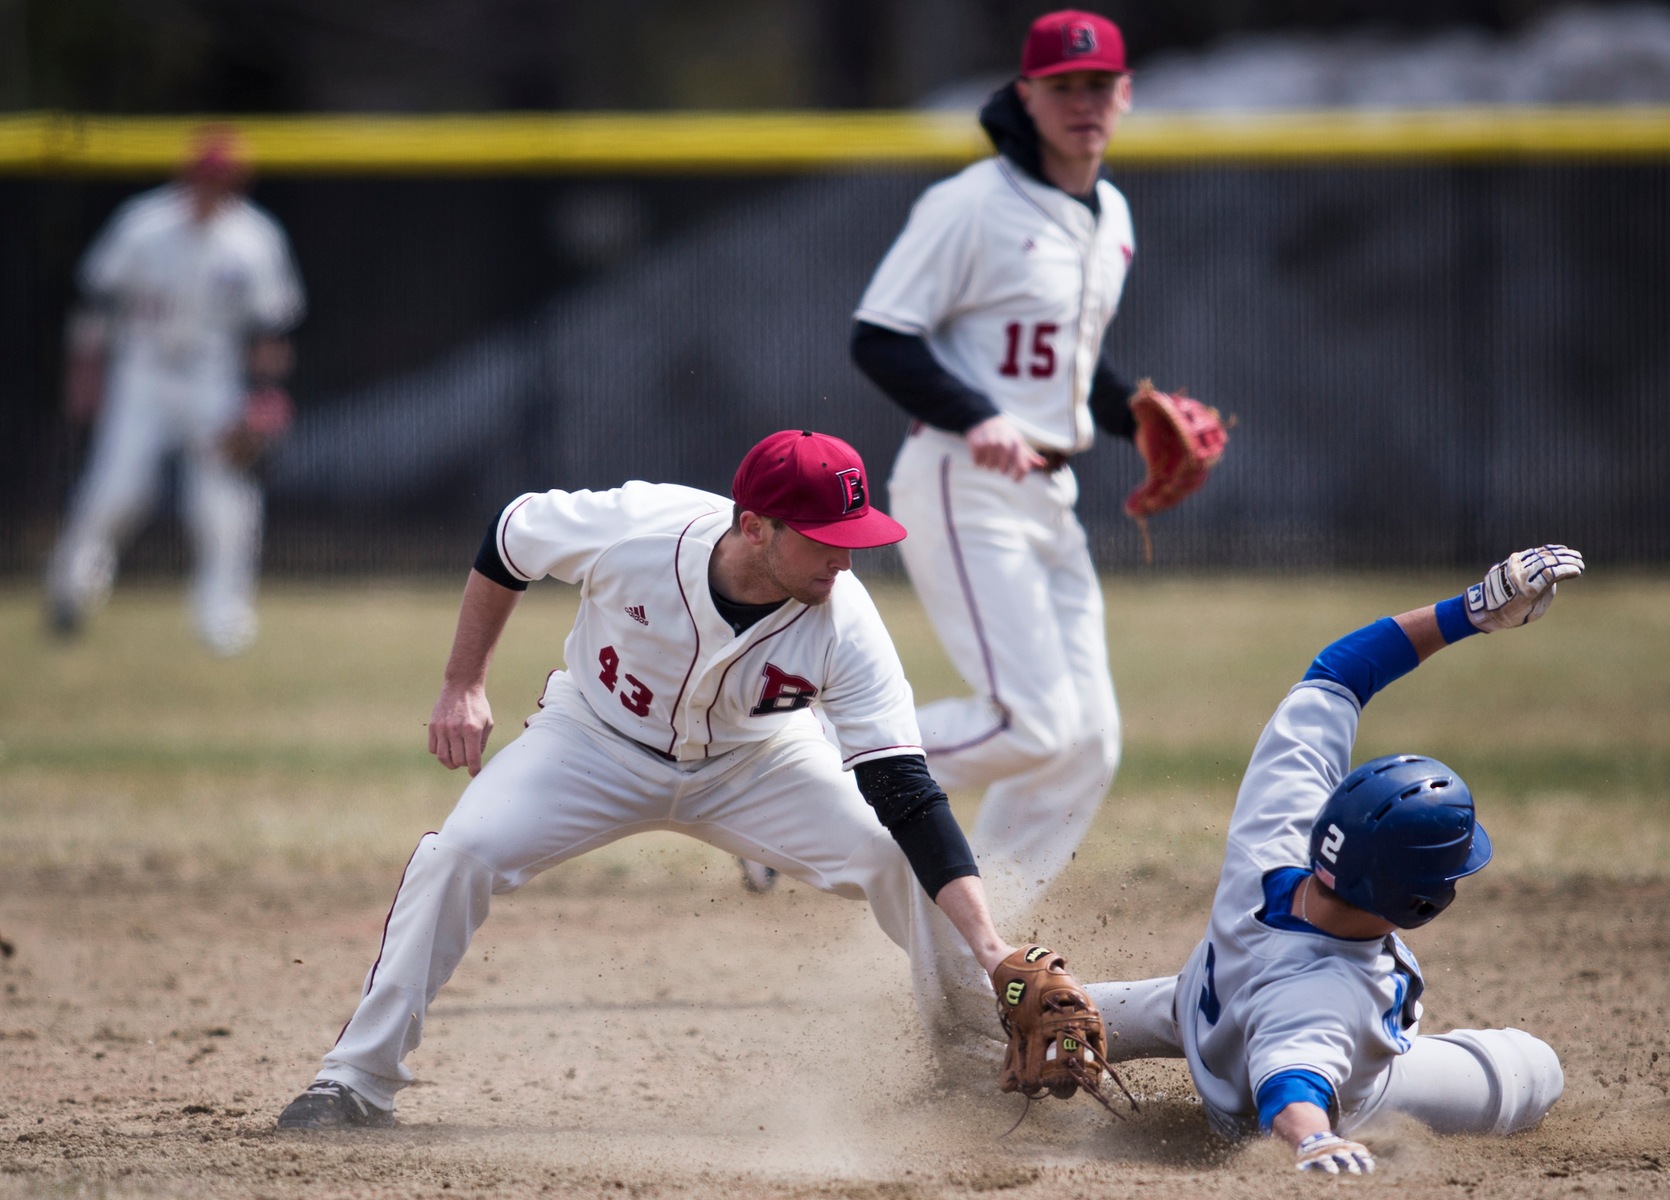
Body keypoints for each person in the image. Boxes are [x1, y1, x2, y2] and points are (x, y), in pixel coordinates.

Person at [276, 430, 1027, 1130]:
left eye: (853, 538)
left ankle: (976, 1065)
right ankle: (356, 1080)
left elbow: (907, 794)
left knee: (898, 860)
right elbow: (510, 538)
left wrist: (991, 947)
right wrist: (462, 682)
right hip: (593, 742)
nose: (845, 561)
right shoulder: (638, 530)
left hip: (758, 764)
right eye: (826, 539)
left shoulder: (846, 622)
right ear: (756, 527)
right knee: (457, 855)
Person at [1081, 546, 1585, 1174]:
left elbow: (1340, 672)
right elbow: (1291, 1085)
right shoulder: (1324, 995)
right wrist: (1315, 1140)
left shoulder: (1278, 827)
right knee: (1536, 1069)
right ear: (1422, 902)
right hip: (1267, 1099)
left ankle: (1046, 1018)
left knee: (1060, 1011)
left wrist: (1471, 612)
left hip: (1202, 1007)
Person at [850, 10, 1163, 914]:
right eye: (1063, 87)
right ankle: (805, 777)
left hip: (1048, 490)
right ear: (1026, 95)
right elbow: (880, 337)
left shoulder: (1110, 215)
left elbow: (1066, 364)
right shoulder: (972, 204)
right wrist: (978, 414)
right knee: (1030, 724)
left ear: (1125, 94)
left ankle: (975, 949)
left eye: (1098, 85)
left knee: (1086, 742)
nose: (1082, 102)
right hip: (964, 477)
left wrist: (1139, 419)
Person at [46, 125, 305, 656]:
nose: (213, 187)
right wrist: (85, 375)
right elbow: (95, 299)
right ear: (187, 176)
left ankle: (222, 615)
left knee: (224, 501)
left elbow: (272, 327)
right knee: (118, 489)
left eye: (224, 178)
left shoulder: (254, 237)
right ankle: (70, 588)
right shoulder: (143, 224)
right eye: (206, 176)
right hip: (142, 371)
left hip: (214, 377)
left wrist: (264, 397)